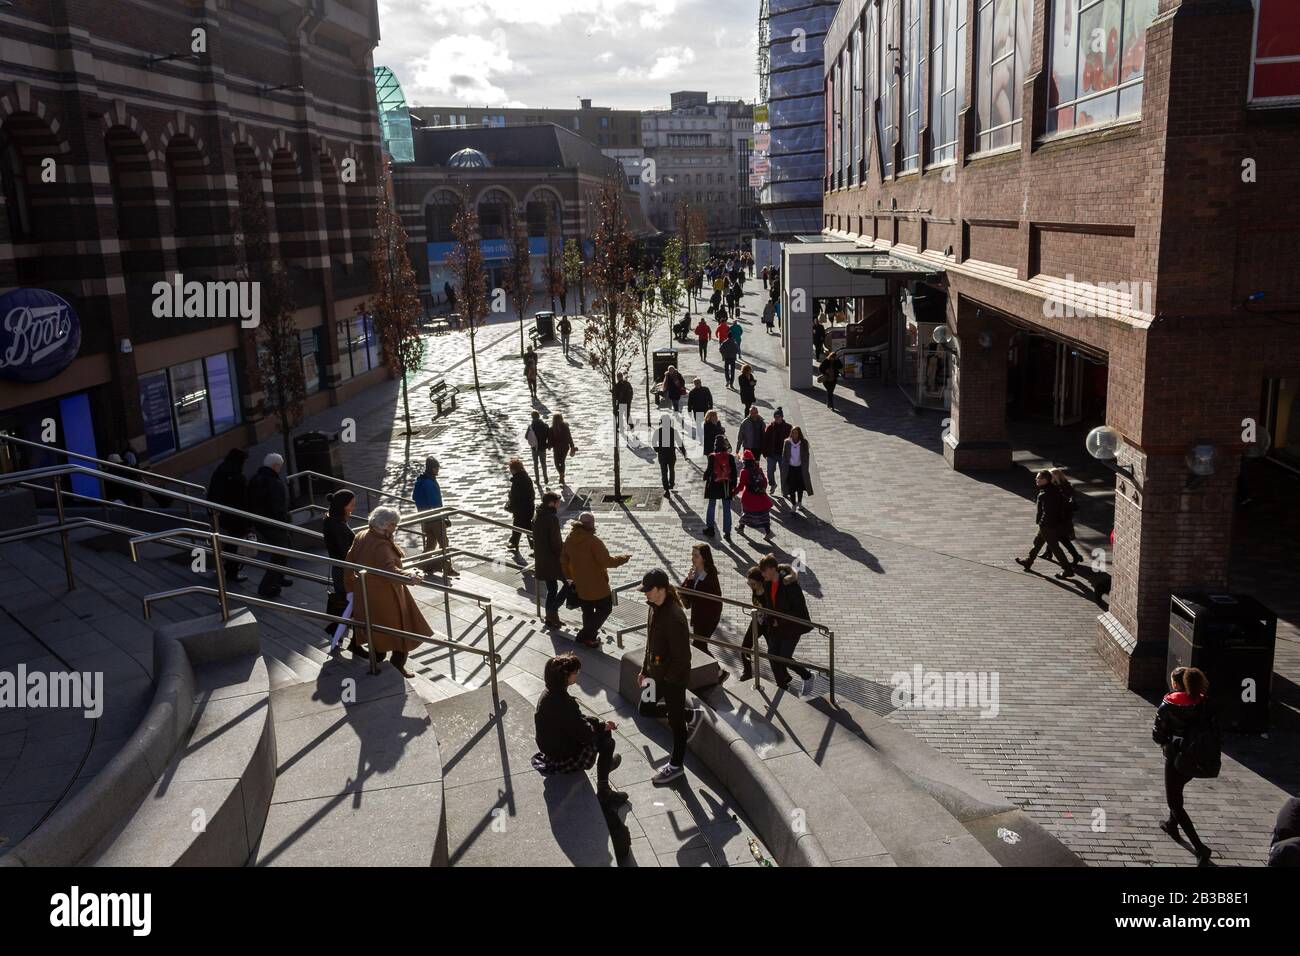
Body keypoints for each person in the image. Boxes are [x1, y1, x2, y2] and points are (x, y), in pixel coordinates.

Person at [532, 653, 628, 807]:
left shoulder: (549, 694)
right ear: (566, 677)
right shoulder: (564, 703)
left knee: (602, 728)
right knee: (607, 741)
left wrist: (599, 723)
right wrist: (602, 726)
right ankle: (604, 789)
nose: (577, 675)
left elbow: (576, 720)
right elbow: (584, 734)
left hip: (552, 750)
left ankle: (605, 766)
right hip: (563, 755)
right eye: (575, 673)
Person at [345, 506, 431, 677]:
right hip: (387, 595)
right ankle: (397, 665)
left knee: (377, 630)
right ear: (384, 525)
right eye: (394, 524)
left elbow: (349, 560)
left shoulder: (363, 534)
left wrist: (352, 586)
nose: (396, 527)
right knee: (402, 632)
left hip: (367, 592)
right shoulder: (381, 545)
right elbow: (390, 570)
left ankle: (373, 658)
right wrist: (410, 576)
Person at [637, 568, 704, 786]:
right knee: (645, 708)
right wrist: (645, 671)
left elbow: (683, 658)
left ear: (660, 590)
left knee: (676, 724)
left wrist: (669, 685)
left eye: (648, 590)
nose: (644, 593)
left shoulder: (674, 617)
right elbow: (650, 643)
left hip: (672, 680)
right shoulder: (653, 607)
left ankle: (675, 766)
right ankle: (691, 715)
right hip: (654, 675)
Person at [1152, 666, 1216, 865]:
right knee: (1177, 791)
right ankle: (1172, 825)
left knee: (1174, 802)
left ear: (1177, 684)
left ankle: (1200, 848)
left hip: (1175, 758)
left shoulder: (1169, 705)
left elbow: (1157, 736)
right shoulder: (1202, 702)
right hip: (1197, 756)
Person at [561, 511, 630, 647]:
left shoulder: (569, 538)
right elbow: (606, 562)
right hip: (598, 586)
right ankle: (584, 635)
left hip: (581, 585)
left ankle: (590, 638)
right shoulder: (594, 541)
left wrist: (570, 577)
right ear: (592, 525)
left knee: (587, 612)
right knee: (605, 609)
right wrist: (623, 558)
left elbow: (563, 560)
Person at [759, 555, 816, 693]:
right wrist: (768, 618)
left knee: (784, 657)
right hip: (775, 626)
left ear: (773, 569)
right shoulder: (767, 583)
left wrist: (781, 620)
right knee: (772, 655)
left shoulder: (789, 585)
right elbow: (769, 605)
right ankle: (783, 685)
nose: (762, 574)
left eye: (764, 571)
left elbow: (799, 609)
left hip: (792, 627)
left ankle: (807, 676)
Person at [246, 452, 292, 598]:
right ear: (275, 466)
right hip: (272, 523)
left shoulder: (255, 479)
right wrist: (284, 521)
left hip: (260, 521)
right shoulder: (274, 483)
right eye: (280, 467)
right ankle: (266, 586)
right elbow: (277, 506)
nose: (280, 469)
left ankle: (279, 578)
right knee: (281, 552)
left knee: (285, 547)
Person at [1015, 470, 1075, 579]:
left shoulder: (1047, 494)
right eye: (1036, 478)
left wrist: (1042, 523)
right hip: (1050, 523)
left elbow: (1049, 512)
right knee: (1038, 542)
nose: (1036, 480)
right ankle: (1028, 561)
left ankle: (1068, 570)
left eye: (1039, 478)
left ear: (1046, 480)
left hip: (1048, 525)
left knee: (1055, 548)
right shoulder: (1052, 489)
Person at [322, 490, 361, 649]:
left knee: (347, 603)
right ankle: (350, 640)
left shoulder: (332, 520)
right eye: (351, 504)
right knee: (352, 604)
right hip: (344, 571)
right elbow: (344, 550)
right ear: (343, 506)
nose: (353, 507)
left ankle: (341, 635)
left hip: (341, 569)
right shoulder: (337, 525)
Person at [206, 448, 251, 584]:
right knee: (234, 543)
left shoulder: (221, 471)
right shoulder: (237, 476)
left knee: (227, 542)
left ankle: (225, 567)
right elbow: (242, 499)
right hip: (234, 516)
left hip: (219, 513)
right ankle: (232, 571)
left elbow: (213, 492)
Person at [412, 456, 456, 575]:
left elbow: (414, 497)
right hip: (434, 518)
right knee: (444, 543)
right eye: (436, 468)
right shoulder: (429, 483)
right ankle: (447, 569)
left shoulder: (420, 481)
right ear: (431, 469)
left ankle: (424, 565)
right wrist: (444, 517)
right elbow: (435, 503)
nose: (438, 470)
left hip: (424, 518)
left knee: (431, 543)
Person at [680, 543, 722, 656]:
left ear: (704, 558)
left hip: (709, 617)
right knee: (700, 646)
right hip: (699, 615)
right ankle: (718, 671)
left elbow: (691, 595)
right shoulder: (695, 570)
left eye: (696, 556)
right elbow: (682, 589)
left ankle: (718, 671)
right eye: (692, 555)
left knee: (699, 646)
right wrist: (688, 580)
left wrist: (689, 581)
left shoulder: (709, 575)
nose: (692, 558)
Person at [533, 491, 566, 629]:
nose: (560, 503)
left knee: (552, 588)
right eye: (558, 501)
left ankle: (551, 618)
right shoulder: (551, 518)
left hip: (542, 558)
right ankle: (552, 613)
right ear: (551, 503)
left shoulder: (538, 515)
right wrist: (563, 556)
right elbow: (556, 542)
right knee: (569, 584)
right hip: (552, 559)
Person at [738, 565, 768, 682]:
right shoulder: (755, 589)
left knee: (774, 653)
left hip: (767, 624)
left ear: (761, 581)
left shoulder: (767, 592)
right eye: (749, 584)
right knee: (745, 647)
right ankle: (747, 672)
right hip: (757, 621)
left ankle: (783, 676)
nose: (751, 586)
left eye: (753, 584)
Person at [737, 450, 774, 538]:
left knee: (746, 513)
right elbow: (765, 483)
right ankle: (768, 533)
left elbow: (741, 486)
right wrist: (760, 489)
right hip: (761, 498)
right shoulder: (758, 470)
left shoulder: (744, 472)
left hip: (749, 498)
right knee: (764, 516)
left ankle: (741, 528)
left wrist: (733, 492)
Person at [1050, 468, 1084, 565]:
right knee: (1050, 535)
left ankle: (1076, 556)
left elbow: (1065, 495)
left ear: (1058, 475)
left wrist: (1057, 483)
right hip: (1056, 515)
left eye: (1053, 475)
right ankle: (1048, 552)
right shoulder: (1051, 485)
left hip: (1063, 516)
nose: (1051, 477)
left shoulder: (1065, 485)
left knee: (1061, 538)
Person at [780, 426, 814, 510]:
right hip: (790, 469)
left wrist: (805, 467)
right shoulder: (787, 442)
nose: (794, 434)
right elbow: (784, 456)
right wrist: (784, 467)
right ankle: (793, 504)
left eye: (796, 433)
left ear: (799, 434)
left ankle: (799, 502)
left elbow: (806, 456)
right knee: (791, 487)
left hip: (800, 468)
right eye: (793, 432)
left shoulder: (804, 443)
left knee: (800, 487)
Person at [506, 458, 534, 552]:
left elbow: (519, 495)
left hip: (522, 508)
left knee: (522, 526)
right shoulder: (522, 477)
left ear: (514, 469)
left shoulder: (520, 479)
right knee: (522, 525)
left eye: (511, 469)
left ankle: (535, 545)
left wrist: (511, 496)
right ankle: (515, 542)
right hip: (525, 508)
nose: (510, 471)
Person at [761, 407, 791, 494]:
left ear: (782, 417)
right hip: (771, 454)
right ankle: (773, 484)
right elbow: (765, 440)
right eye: (776, 417)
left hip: (783, 455)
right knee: (770, 471)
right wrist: (765, 453)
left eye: (779, 416)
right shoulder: (770, 427)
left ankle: (784, 490)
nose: (777, 418)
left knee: (784, 473)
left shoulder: (788, 427)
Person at [652, 413, 683, 496]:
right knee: (672, 469)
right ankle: (671, 484)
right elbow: (679, 443)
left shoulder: (658, 431)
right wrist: (683, 452)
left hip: (662, 455)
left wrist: (658, 450)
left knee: (664, 472)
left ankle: (666, 490)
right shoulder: (673, 431)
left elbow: (654, 442)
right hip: (671, 454)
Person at [526, 411, 551, 486]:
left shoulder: (531, 426)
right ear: (539, 416)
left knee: (535, 464)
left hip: (534, 448)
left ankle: (537, 479)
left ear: (532, 417)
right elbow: (549, 436)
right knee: (543, 463)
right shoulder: (545, 425)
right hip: (543, 447)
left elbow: (526, 436)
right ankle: (545, 477)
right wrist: (548, 445)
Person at [550, 413, 576, 483]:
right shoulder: (565, 427)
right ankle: (562, 474)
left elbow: (550, 439)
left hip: (557, 448)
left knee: (556, 462)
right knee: (562, 461)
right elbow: (569, 437)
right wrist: (572, 445)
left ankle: (561, 474)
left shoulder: (552, 428)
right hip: (565, 447)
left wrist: (549, 446)